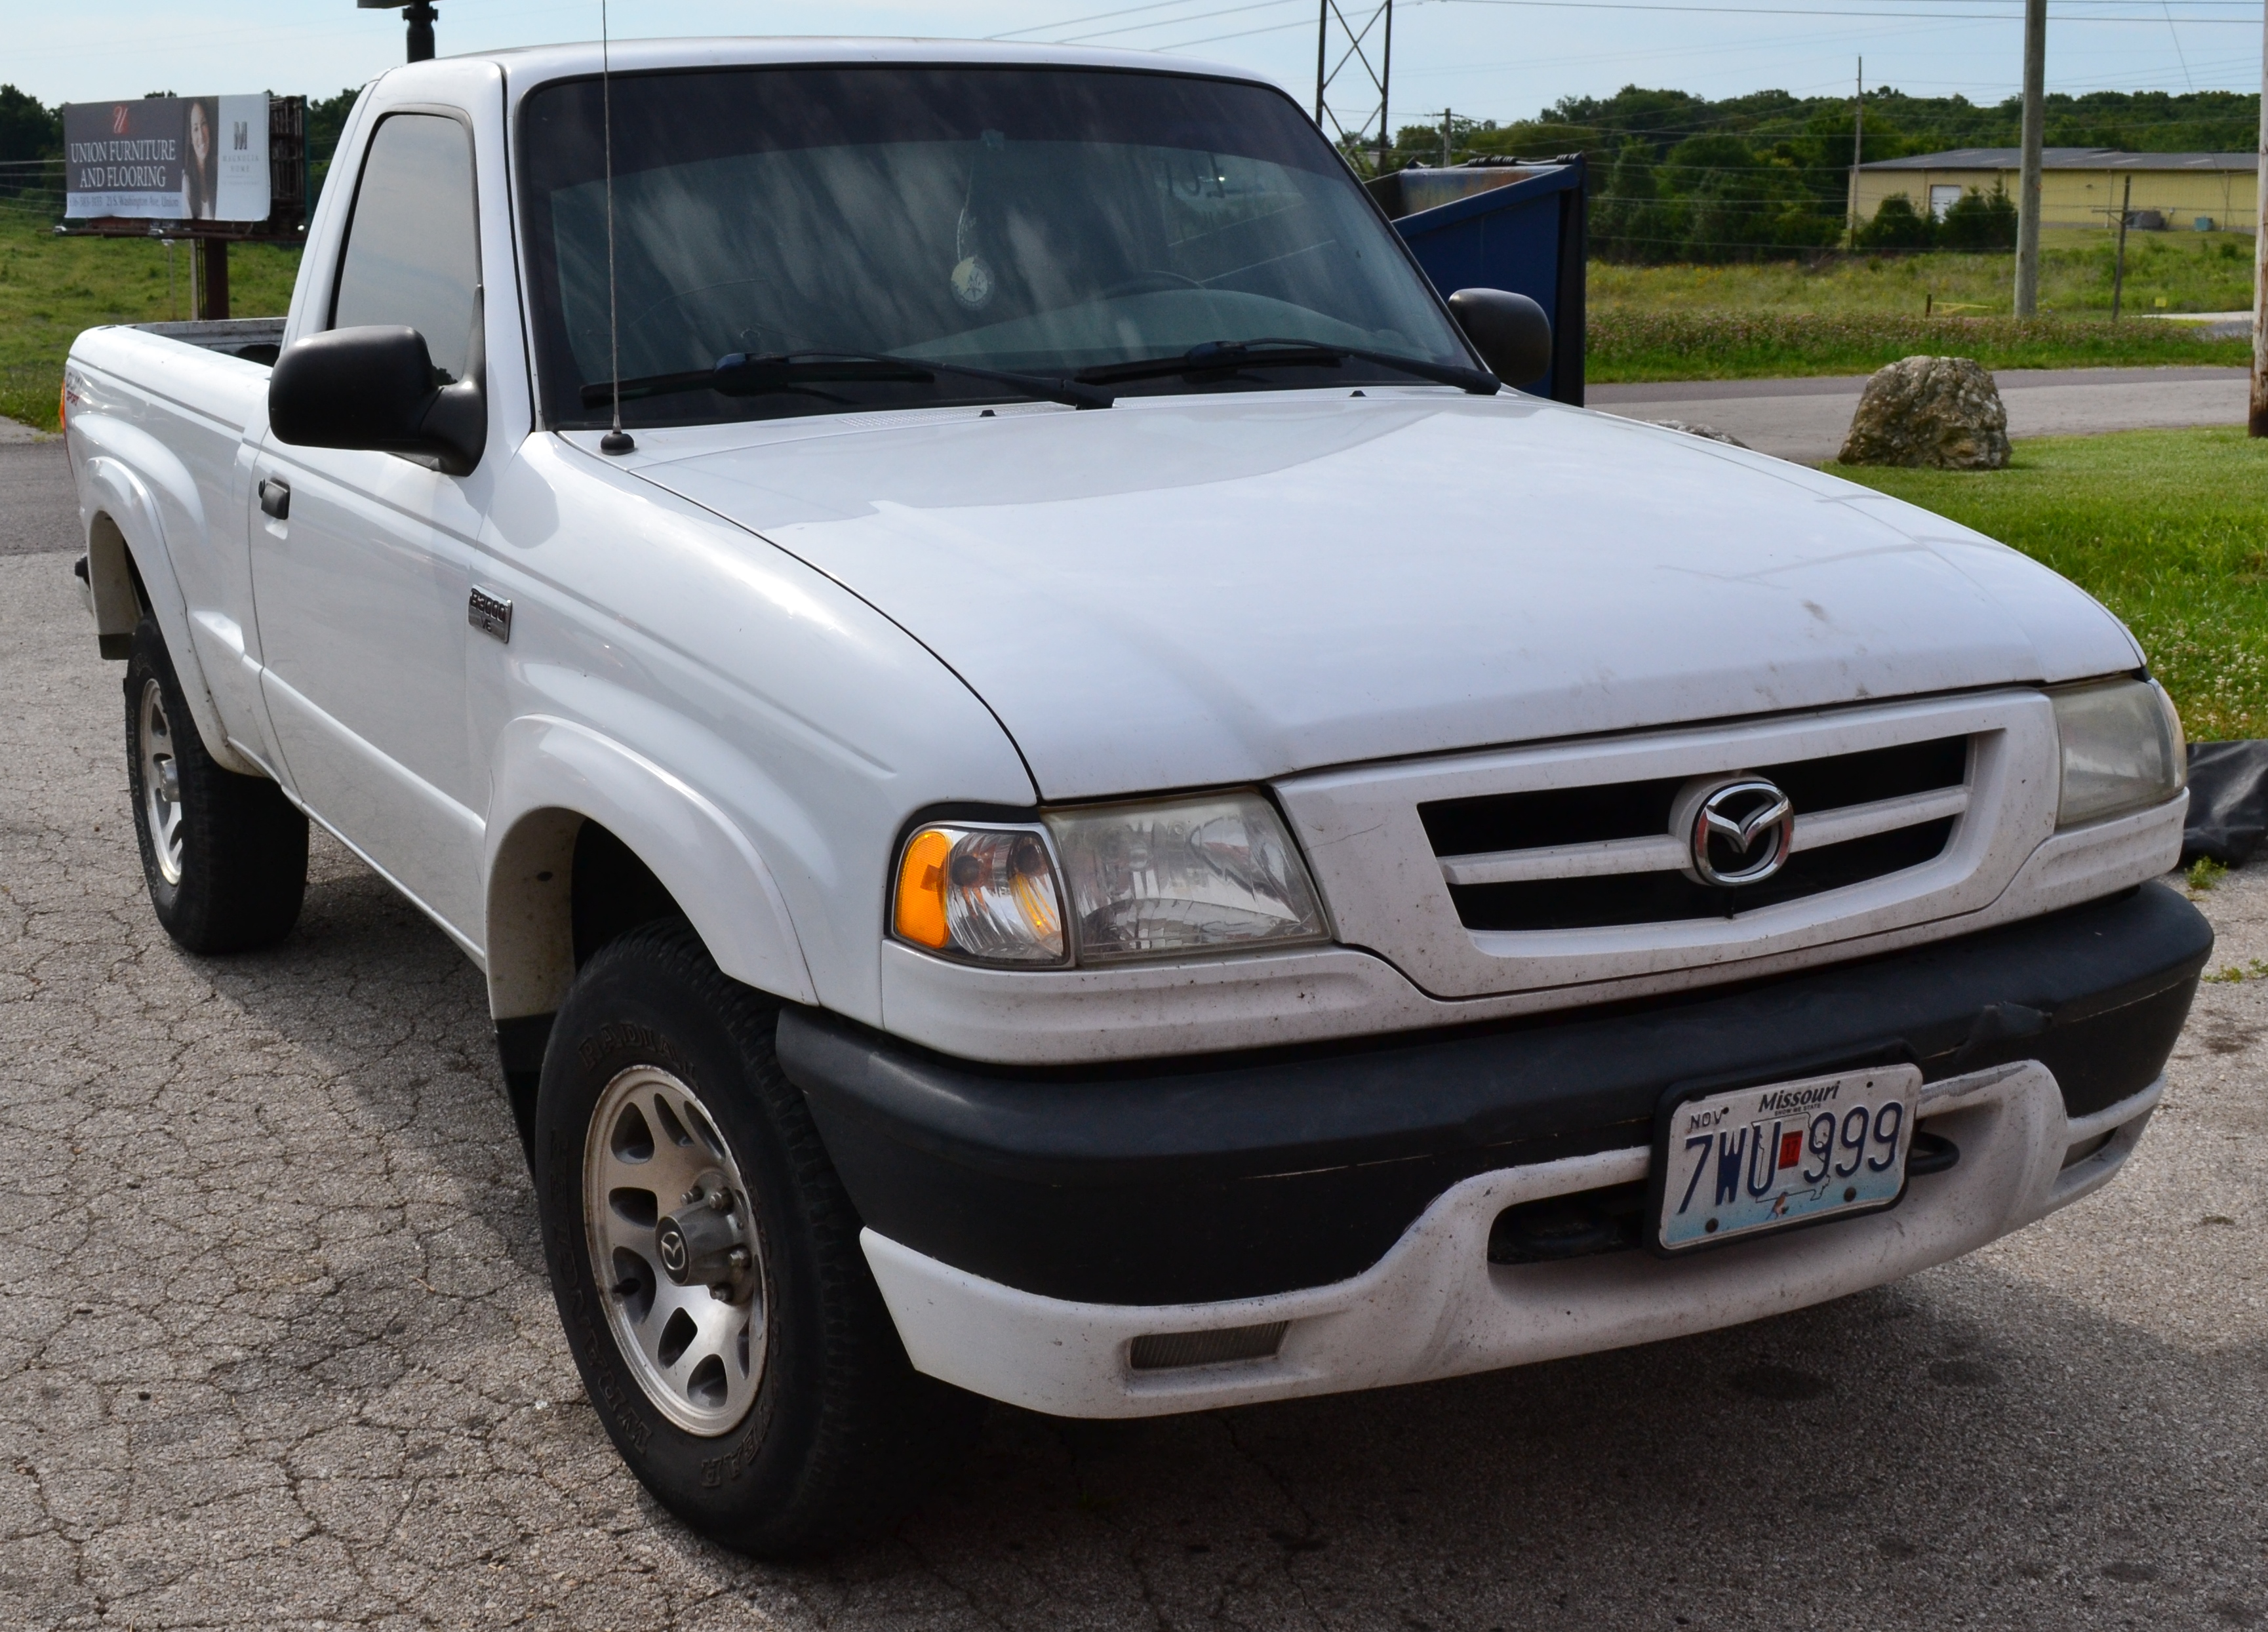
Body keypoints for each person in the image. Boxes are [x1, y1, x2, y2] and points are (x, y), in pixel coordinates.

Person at [182, 99, 217, 221]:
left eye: (203, 124)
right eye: (196, 129)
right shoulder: (186, 182)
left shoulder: (219, 172)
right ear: (190, 138)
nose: (201, 136)